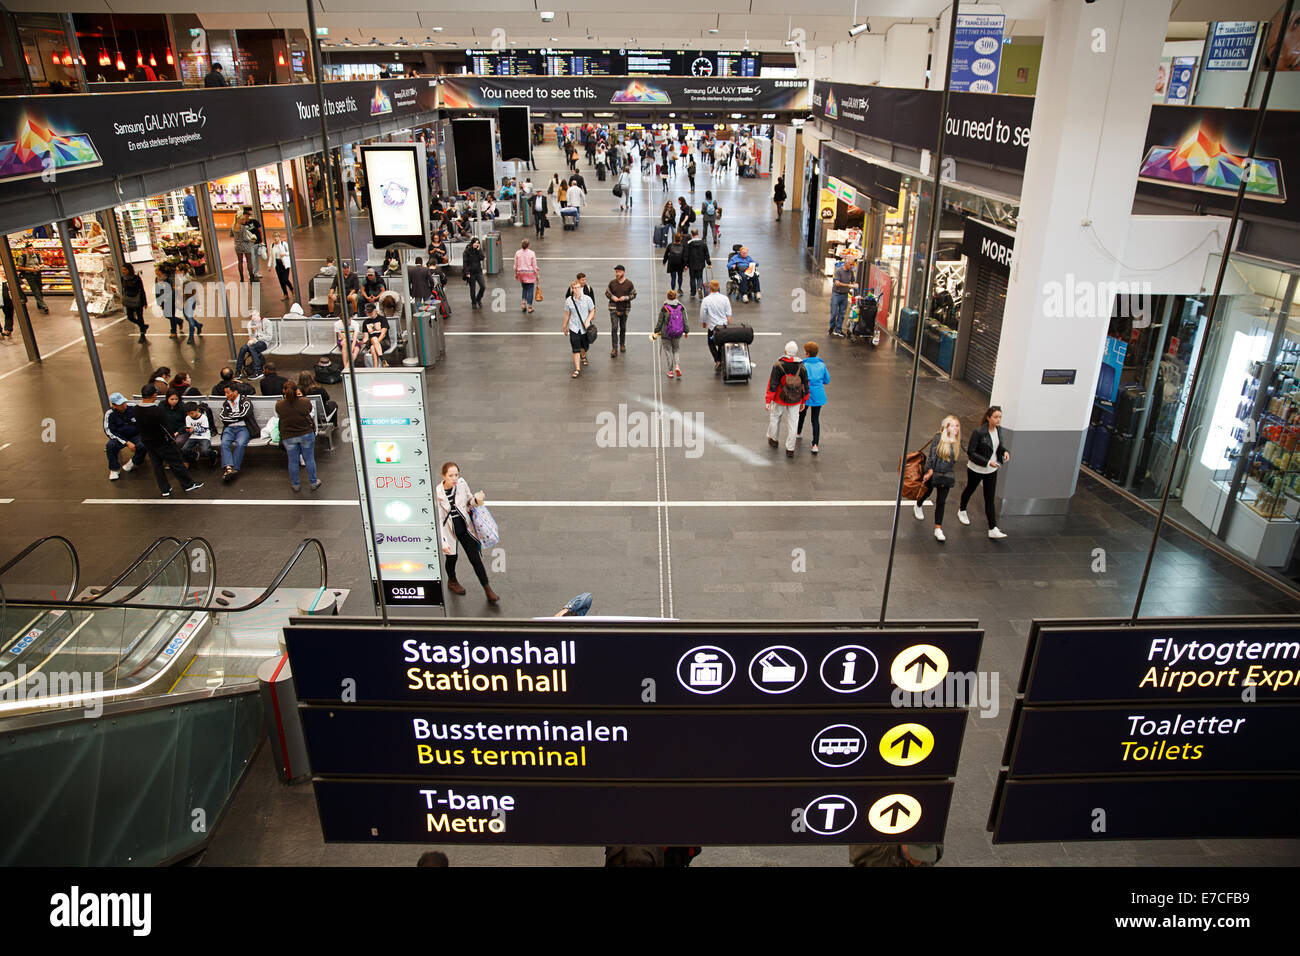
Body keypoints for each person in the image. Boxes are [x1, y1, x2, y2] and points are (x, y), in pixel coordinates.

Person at [435, 461, 499, 603]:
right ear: (444, 476)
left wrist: (476, 499)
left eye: (456, 475)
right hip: (449, 530)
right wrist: (443, 541)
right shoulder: (438, 492)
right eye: (451, 475)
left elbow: (469, 501)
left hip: (464, 527)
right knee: (451, 558)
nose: (454, 478)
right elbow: (439, 519)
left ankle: (487, 589)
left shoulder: (462, 484)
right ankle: (452, 580)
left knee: (475, 559)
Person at [135, 384, 203, 496]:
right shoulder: (156, 410)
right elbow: (165, 427)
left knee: (157, 465)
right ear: (154, 395)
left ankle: (165, 489)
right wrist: (171, 439)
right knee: (177, 463)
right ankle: (188, 484)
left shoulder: (136, 409)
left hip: (147, 441)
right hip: (162, 442)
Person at [960, 405, 1011, 539]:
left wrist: (1005, 452)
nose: (998, 420)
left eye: (1000, 417)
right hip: (976, 468)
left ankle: (992, 528)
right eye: (995, 417)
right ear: (988, 418)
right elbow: (971, 452)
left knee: (989, 498)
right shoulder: (979, 432)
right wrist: (988, 462)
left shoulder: (998, 430)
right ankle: (962, 509)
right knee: (970, 489)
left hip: (992, 470)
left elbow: (998, 446)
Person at [915, 415, 961, 541]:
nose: (956, 428)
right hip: (934, 472)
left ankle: (938, 528)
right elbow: (931, 455)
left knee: (941, 501)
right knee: (927, 492)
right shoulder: (938, 438)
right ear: (946, 427)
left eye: (957, 425)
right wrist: (929, 471)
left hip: (946, 475)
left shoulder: (956, 441)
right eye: (953, 425)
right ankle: (918, 504)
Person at [765, 341, 809, 458]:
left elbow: (772, 384)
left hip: (780, 397)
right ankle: (790, 448)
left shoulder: (778, 365)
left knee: (775, 418)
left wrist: (768, 400)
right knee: (793, 423)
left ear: (785, 352)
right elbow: (805, 384)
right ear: (796, 353)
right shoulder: (801, 366)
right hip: (795, 398)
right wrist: (804, 400)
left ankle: (773, 439)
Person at [277, 382, 321, 492]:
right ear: (297, 390)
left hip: (288, 436)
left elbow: (280, 416)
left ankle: (295, 484)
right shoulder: (305, 402)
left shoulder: (279, 405)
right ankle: (313, 482)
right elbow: (310, 411)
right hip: (305, 433)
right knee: (309, 459)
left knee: (292, 460)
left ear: (284, 391)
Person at [104, 392, 148, 480]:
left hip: (136, 435)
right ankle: (114, 469)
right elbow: (109, 431)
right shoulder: (110, 414)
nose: (124, 405)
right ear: (114, 405)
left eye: (124, 402)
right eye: (120, 404)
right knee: (110, 445)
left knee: (144, 444)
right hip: (120, 437)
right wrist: (127, 442)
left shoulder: (134, 407)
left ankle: (133, 462)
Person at [797, 342, 829, 455]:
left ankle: (798, 432)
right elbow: (827, 380)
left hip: (806, 394)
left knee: (802, 414)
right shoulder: (822, 365)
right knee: (815, 419)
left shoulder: (803, 365)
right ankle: (815, 444)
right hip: (819, 395)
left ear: (808, 353)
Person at [218, 383, 255, 481]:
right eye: (225, 393)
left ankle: (234, 468)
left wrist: (231, 416)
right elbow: (222, 417)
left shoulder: (245, 401)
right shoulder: (226, 403)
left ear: (235, 392)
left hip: (243, 428)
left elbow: (245, 414)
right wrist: (237, 417)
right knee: (224, 443)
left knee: (240, 443)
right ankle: (229, 468)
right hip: (229, 429)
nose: (226, 395)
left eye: (228, 393)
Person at [651, 289, 688, 379]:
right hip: (677, 332)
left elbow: (660, 322)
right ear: (675, 296)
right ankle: (677, 366)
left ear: (667, 297)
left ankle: (670, 371)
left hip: (666, 333)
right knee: (676, 349)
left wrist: (655, 331)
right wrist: (686, 331)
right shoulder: (681, 307)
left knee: (668, 351)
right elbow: (685, 320)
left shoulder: (665, 308)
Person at [563, 279, 596, 378]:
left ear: (581, 288)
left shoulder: (587, 299)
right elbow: (567, 314)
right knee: (575, 349)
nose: (576, 290)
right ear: (572, 289)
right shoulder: (569, 301)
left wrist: (587, 321)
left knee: (584, 346)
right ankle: (577, 369)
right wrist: (564, 325)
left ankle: (583, 354)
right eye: (574, 288)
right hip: (574, 328)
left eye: (578, 288)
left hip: (585, 328)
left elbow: (592, 311)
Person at [700, 279, 732, 374]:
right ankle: (721, 359)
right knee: (722, 344)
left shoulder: (706, 300)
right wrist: (728, 321)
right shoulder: (725, 298)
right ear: (718, 287)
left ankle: (717, 360)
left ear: (710, 288)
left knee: (711, 343)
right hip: (723, 326)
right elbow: (729, 313)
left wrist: (703, 322)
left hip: (713, 327)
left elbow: (703, 313)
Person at [605, 264, 636, 358]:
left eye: (619, 272)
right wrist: (612, 297)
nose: (617, 273)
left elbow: (634, 294)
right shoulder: (612, 283)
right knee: (614, 328)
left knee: (623, 327)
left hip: (624, 309)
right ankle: (614, 348)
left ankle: (622, 344)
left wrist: (626, 298)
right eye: (616, 272)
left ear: (623, 272)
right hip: (613, 308)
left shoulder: (629, 283)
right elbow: (607, 292)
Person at [181, 402, 219, 467]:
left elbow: (205, 428)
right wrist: (189, 430)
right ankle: (195, 455)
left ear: (197, 410)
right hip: (193, 436)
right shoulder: (188, 417)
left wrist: (194, 429)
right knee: (185, 449)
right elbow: (189, 428)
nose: (190, 415)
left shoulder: (203, 417)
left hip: (204, 436)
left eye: (192, 413)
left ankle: (213, 454)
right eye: (188, 414)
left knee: (206, 450)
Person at [829, 253, 858, 337]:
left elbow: (853, 281)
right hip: (836, 294)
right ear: (846, 263)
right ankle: (832, 327)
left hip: (844, 295)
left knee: (842, 313)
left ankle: (838, 329)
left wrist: (855, 284)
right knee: (834, 313)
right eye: (851, 264)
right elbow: (837, 283)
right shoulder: (839, 271)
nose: (852, 266)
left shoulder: (851, 272)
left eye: (853, 265)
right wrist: (848, 285)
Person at [237, 311, 271, 380]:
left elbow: (269, 337)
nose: (253, 318)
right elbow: (251, 337)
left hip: (264, 342)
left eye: (254, 316)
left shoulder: (267, 322)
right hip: (254, 342)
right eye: (251, 316)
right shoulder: (250, 324)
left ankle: (258, 371)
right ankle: (238, 371)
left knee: (252, 348)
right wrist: (253, 332)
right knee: (243, 348)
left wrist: (257, 338)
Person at [16, 244, 48, 314]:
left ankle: (39, 304)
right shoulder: (23, 257)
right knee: (35, 290)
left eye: (33, 248)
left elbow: (42, 263)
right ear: (26, 249)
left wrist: (39, 267)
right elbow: (19, 267)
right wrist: (30, 269)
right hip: (29, 275)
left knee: (39, 289)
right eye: (30, 249)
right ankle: (44, 306)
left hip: (37, 274)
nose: (32, 250)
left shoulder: (37, 255)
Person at [230, 207, 260, 283]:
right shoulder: (243, 227)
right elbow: (245, 238)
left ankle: (241, 278)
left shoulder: (233, 226)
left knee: (240, 261)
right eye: (243, 219)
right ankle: (252, 277)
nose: (244, 221)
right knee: (249, 260)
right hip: (245, 245)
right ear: (239, 219)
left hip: (237, 245)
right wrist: (251, 239)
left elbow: (231, 235)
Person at [120, 264, 148, 343]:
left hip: (138, 300)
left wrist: (144, 302)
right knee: (130, 317)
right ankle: (142, 326)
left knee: (140, 316)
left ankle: (142, 334)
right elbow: (124, 289)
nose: (124, 271)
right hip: (129, 300)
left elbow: (142, 290)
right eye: (123, 270)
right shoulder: (123, 278)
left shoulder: (136, 278)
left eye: (125, 270)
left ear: (129, 270)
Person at [513, 239, 539, 314]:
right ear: (528, 245)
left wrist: (516, 273)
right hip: (529, 273)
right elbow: (534, 265)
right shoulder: (532, 253)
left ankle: (523, 303)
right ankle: (530, 307)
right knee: (530, 289)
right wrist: (536, 274)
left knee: (524, 288)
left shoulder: (517, 253)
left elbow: (515, 265)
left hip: (521, 273)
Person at [684, 228, 711, 300]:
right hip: (700, 263)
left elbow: (686, 255)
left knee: (692, 278)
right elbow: (706, 254)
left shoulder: (688, 243)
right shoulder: (703, 243)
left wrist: (685, 265)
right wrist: (709, 263)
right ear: (698, 233)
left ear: (691, 234)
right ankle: (699, 288)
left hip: (692, 264)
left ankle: (693, 293)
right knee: (700, 277)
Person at [462, 238, 485, 310]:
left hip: (478, 271)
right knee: (472, 289)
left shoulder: (478, 250)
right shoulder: (467, 251)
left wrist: (478, 251)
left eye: (478, 243)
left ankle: (478, 298)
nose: (476, 244)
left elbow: (482, 258)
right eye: (475, 243)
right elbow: (465, 263)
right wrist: (467, 273)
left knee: (483, 286)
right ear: (472, 243)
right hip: (471, 273)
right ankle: (474, 302)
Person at [270, 233, 293, 301]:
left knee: (285, 279)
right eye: (274, 237)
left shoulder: (284, 244)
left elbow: (290, 252)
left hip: (285, 263)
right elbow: (271, 256)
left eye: (277, 237)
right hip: (277, 264)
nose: (275, 238)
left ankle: (292, 289)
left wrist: (284, 254)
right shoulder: (272, 245)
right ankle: (285, 294)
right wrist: (269, 265)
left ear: (279, 237)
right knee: (281, 280)